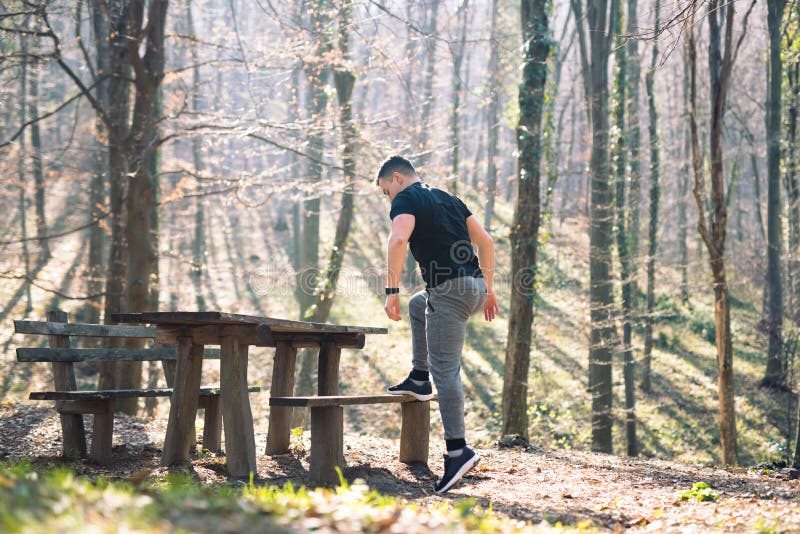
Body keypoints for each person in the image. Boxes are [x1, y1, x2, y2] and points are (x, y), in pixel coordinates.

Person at [376, 155, 499, 494]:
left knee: (445, 369)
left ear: (397, 178)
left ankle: (458, 452)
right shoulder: (449, 198)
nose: (389, 198)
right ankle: (418, 377)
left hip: (449, 291)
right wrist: (488, 292)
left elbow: (398, 240)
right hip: (473, 288)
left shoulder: (407, 198)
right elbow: (486, 243)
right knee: (420, 304)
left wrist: (390, 291)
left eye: (386, 191)